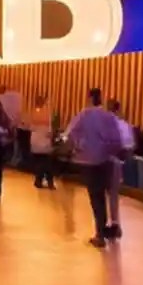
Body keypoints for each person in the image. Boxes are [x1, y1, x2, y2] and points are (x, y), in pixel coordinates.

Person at [66, 88, 123, 248]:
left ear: (90, 98)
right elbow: (117, 140)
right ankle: (105, 229)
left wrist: (77, 146)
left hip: (89, 160)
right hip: (106, 161)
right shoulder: (108, 116)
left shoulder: (84, 115)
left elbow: (70, 133)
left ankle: (100, 234)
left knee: (96, 197)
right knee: (104, 196)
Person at [104, 100, 135, 239]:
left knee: (103, 195)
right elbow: (130, 146)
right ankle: (115, 223)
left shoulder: (105, 125)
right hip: (117, 161)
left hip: (104, 161)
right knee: (113, 195)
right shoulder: (124, 125)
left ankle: (105, 225)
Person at [27, 94, 55, 189]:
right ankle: (48, 181)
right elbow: (49, 131)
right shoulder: (47, 113)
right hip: (44, 142)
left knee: (39, 162)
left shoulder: (33, 112)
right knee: (47, 163)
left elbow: (30, 127)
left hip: (35, 141)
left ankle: (38, 180)